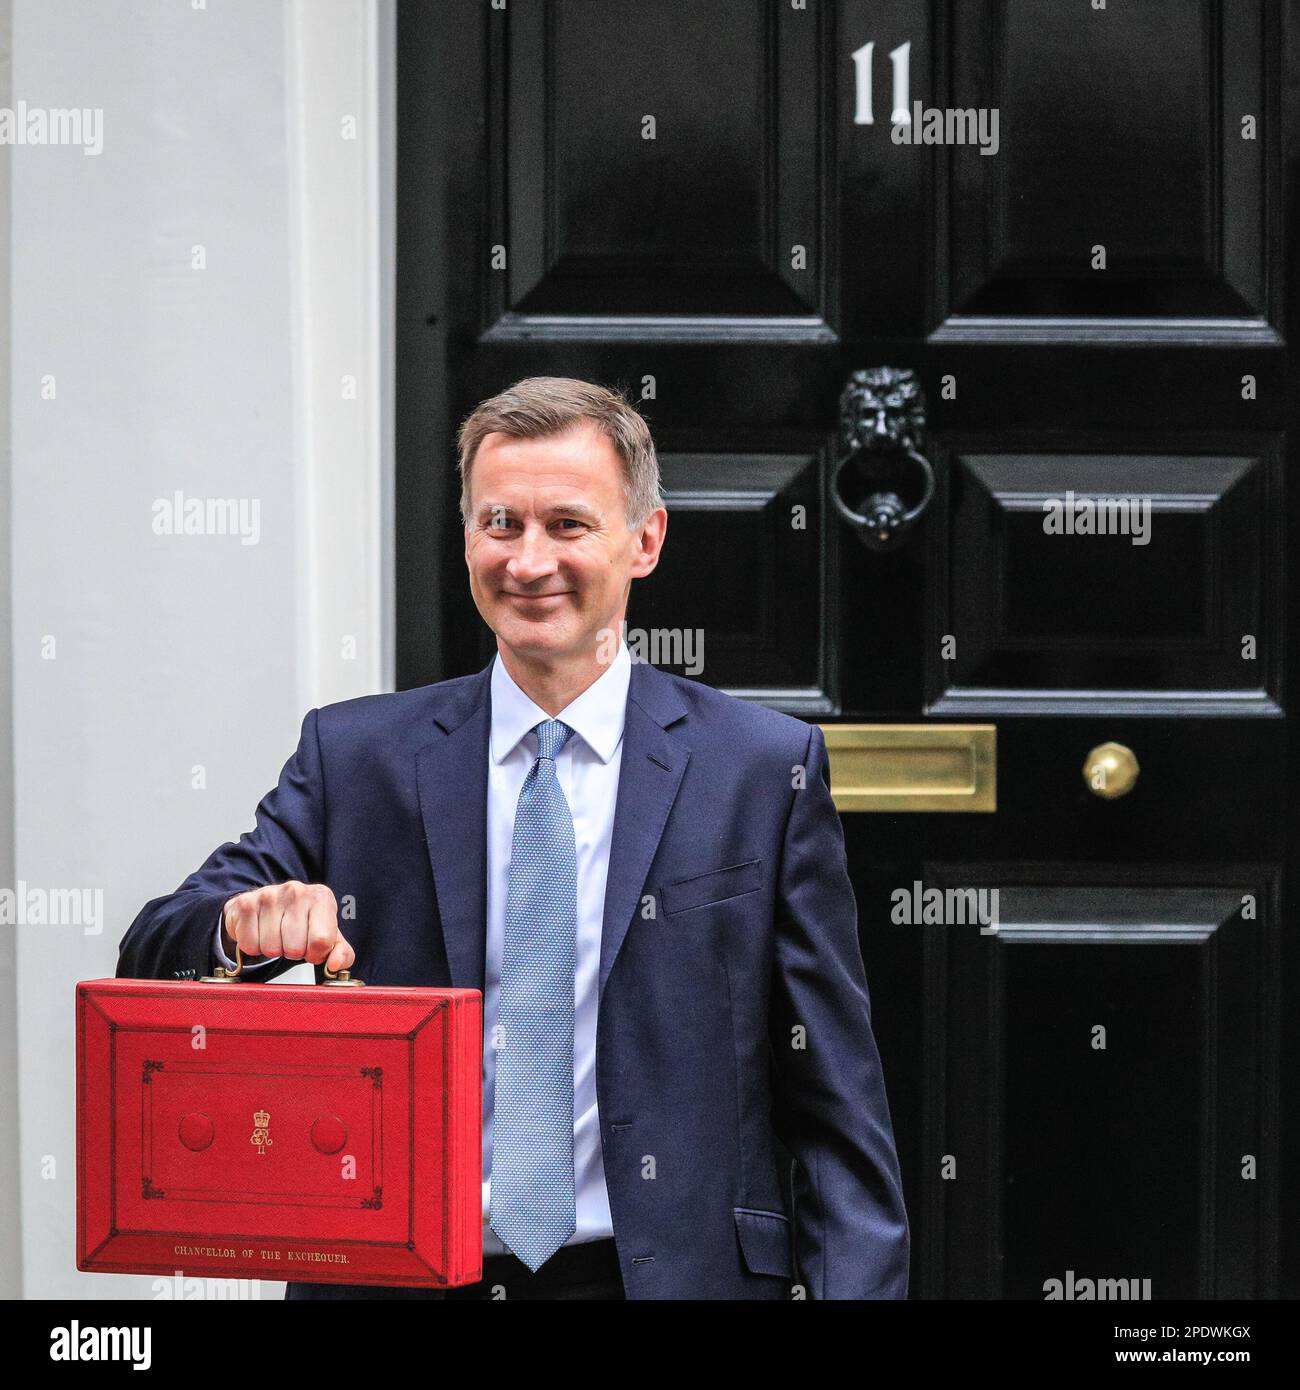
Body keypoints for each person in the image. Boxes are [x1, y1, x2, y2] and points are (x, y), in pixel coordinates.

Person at [118, 376, 910, 1300]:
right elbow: (153, 951)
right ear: (467, 541)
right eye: (501, 524)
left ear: (644, 541)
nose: (530, 562)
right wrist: (244, 929)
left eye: (568, 524)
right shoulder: (356, 756)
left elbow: (837, 1114)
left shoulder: (759, 770)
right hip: (403, 1277)